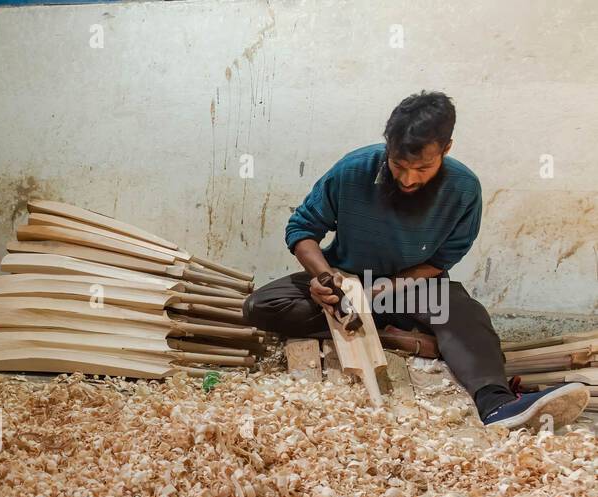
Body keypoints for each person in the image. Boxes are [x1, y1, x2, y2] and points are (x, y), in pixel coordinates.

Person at [244, 91, 590, 430]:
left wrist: (388, 287)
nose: (409, 178)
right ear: (387, 147)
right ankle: (397, 338)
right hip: (347, 285)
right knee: (261, 305)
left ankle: (496, 404)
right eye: (398, 165)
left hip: (411, 287)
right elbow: (303, 228)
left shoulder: (464, 189)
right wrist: (323, 278)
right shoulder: (352, 171)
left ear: (446, 150)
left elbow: (441, 260)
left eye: (423, 167)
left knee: (463, 313)